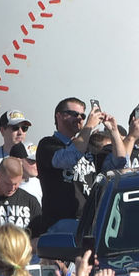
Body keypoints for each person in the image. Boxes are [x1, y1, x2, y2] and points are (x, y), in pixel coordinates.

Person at [37, 97, 123, 228]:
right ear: (59, 116)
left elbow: (119, 163)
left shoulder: (89, 147)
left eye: (83, 115)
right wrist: (89, 126)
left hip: (89, 222)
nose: (80, 118)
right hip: (60, 224)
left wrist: (114, 131)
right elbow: (68, 159)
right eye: (74, 114)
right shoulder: (48, 144)